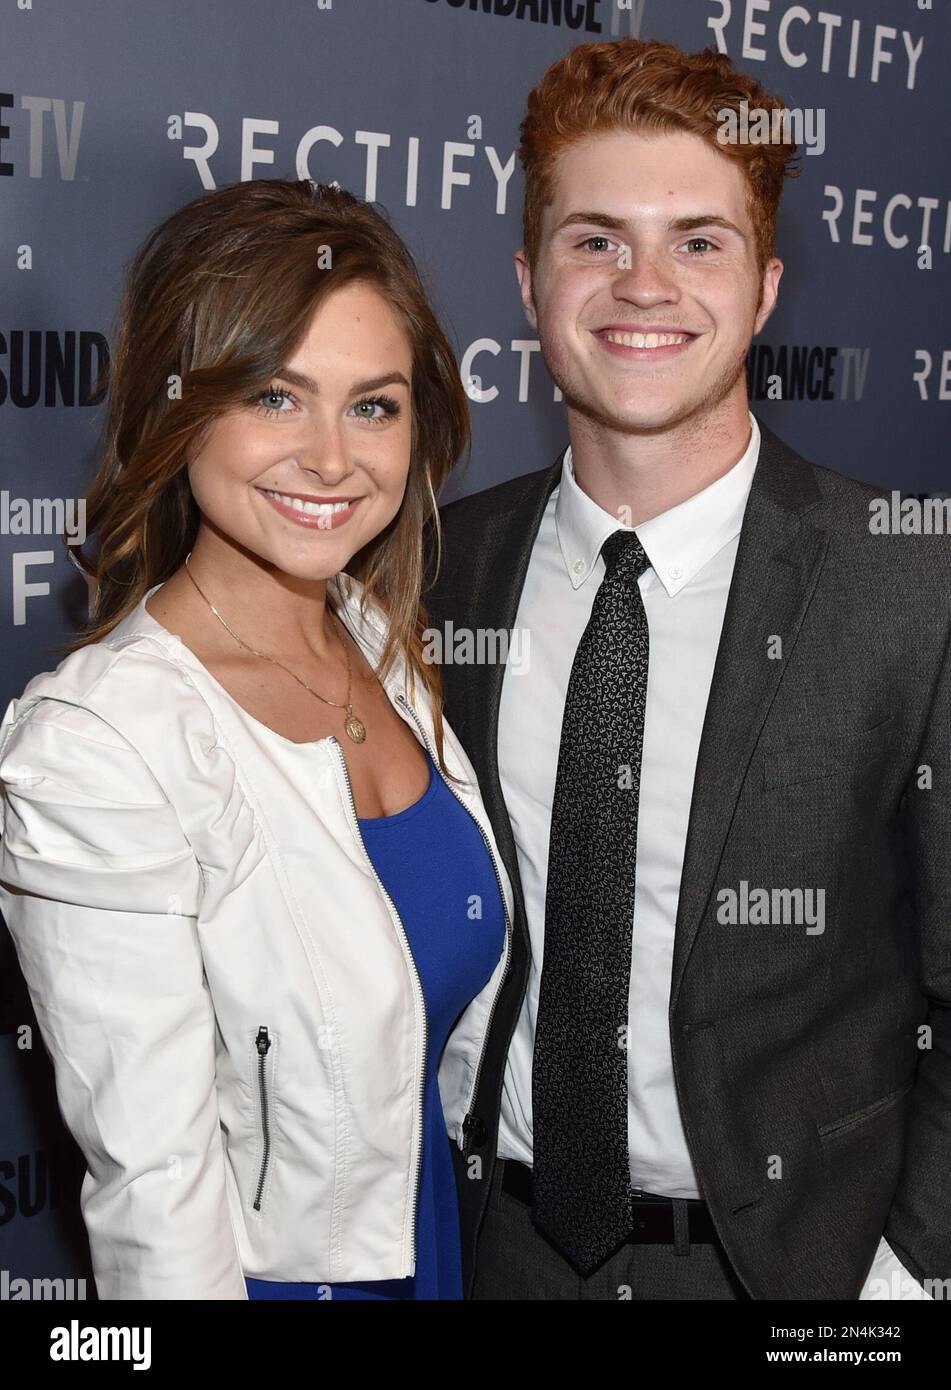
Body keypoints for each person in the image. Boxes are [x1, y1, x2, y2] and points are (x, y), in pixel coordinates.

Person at [424, 38, 950, 1300]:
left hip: (799, 1275)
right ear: (529, 276)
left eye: (698, 242)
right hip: (493, 1250)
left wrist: (902, 1276)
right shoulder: (437, 573)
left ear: (766, 288)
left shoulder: (911, 585)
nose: (642, 285)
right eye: (595, 238)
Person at [0, 177, 513, 1301]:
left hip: (436, 1247)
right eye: (277, 398)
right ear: (177, 408)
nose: (333, 458)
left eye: (373, 405)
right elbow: (155, 1193)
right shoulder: (98, 743)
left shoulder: (382, 642)